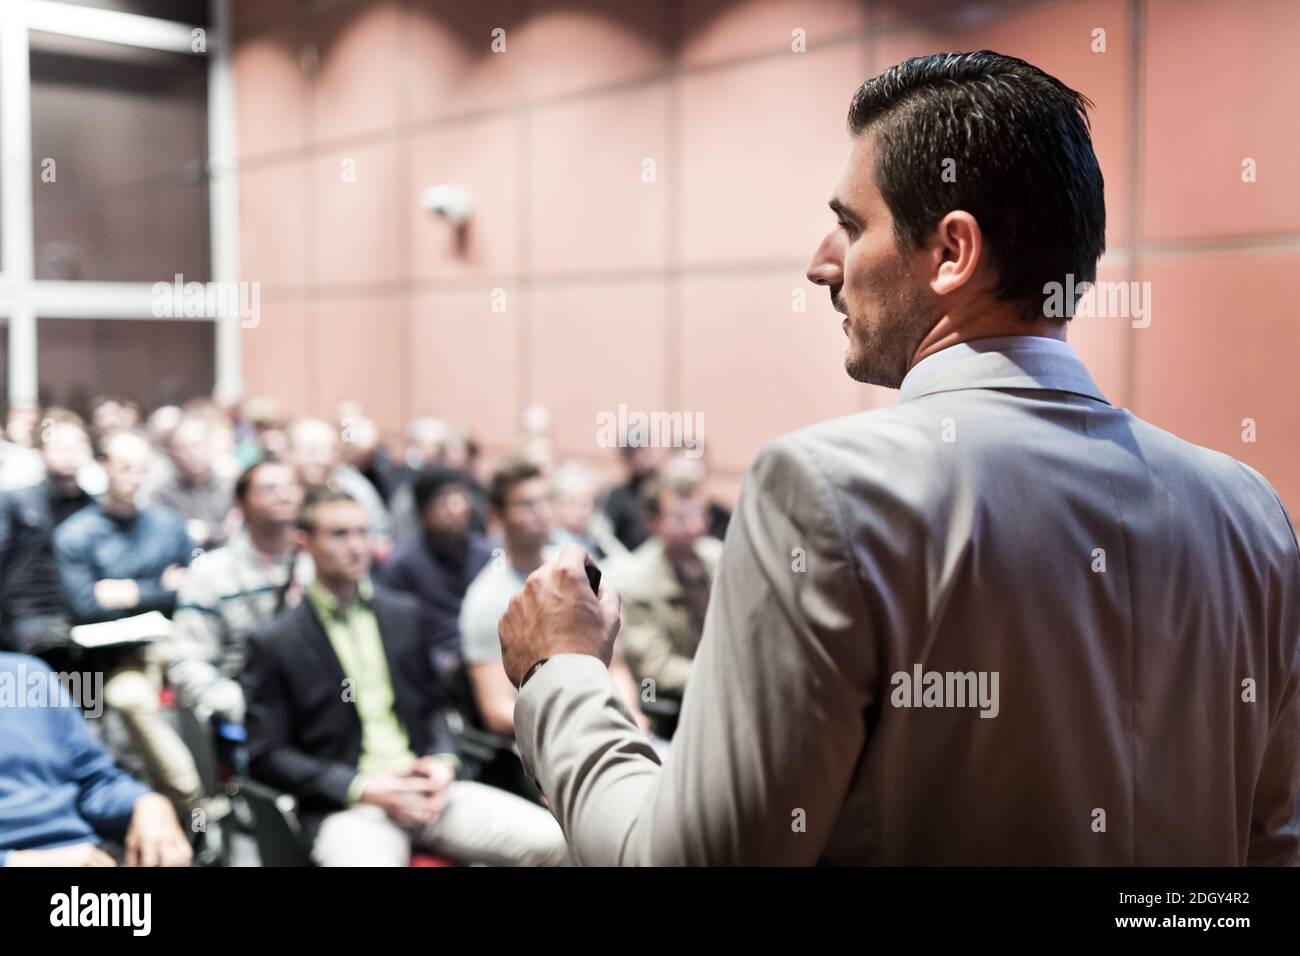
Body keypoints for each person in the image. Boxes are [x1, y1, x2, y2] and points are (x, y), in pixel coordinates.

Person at [497, 51, 1300, 865]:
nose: (822, 265)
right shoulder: (1249, 510)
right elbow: (1271, 846)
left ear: (953, 251)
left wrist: (561, 674)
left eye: (850, 225)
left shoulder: (824, 494)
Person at [241, 488, 566, 866]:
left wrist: (443, 760)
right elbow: (267, 755)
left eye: (363, 533)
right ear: (304, 542)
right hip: (351, 807)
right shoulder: (275, 640)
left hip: (428, 789)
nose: (356, 546)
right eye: (339, 534)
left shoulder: (403, 615)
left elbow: (433, 707)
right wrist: (363, 787)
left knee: (555, 841)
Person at [53, 429, 201, 810]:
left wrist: (130, 592)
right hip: (118, 656)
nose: (134, 477)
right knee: (132, 698)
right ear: (103, 468)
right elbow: (85, 607)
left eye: (142, 469)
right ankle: (193, 801)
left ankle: (224, 791)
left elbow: (192, 588)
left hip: (181, 643)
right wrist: (160, 589)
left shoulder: (167, 525)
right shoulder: (77, 534)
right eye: (125, 468)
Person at [460, 459, 647, 739]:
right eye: (526, 505)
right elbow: (496, 710)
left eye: (547, 500)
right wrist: (576, 729)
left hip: (606, 723)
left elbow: (615, 665)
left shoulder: (575, 567)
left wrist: (630, 713)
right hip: (552, 742)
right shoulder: (486, 598)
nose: (542, 512)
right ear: (496, 516)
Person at [0, 653, 192, 867]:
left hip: (88, 856)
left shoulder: (28, 674)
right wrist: (13, 862)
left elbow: (95, 782)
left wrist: (146, 803)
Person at [169, 458, 309, 723]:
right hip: (250, 704)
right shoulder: (210, 571)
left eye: (290, 486)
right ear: (241, 504)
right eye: (269, 488)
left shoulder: (317, 562)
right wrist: (240, 706)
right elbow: (187, 661)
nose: (283, 495)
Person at [613, 473, 722, 705]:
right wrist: (724, 678)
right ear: (652, 523)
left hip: (717, 692)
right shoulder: (637, 582)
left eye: (699, 515)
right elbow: (656, 668)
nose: (694, 526)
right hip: (670, 706)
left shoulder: (719, 561)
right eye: (680, 518)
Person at [0, 409, 94, 659]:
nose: (70, 453)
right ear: (41, 451)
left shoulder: (95, 506)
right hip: (30, 614)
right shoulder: (16, 503)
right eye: (60, 445)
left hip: (84, 613)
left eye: (78, 444)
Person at [379, 465, 492, 669]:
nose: (456, 509)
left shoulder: (486, 553)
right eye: (445, 502)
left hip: (486, 653)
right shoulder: (403, 563)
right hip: (433, 666)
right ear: (423, 511)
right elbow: (396, 631)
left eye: (461, 498)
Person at [151, 414, 235, 550]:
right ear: (173, 453)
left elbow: (237, 534)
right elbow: (165, 538)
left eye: (196, 445)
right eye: (183, 448)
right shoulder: (162, 495)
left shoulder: (230, 489)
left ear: (209, 446)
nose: (191, 453)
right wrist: (221, 531)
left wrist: (207, 531)